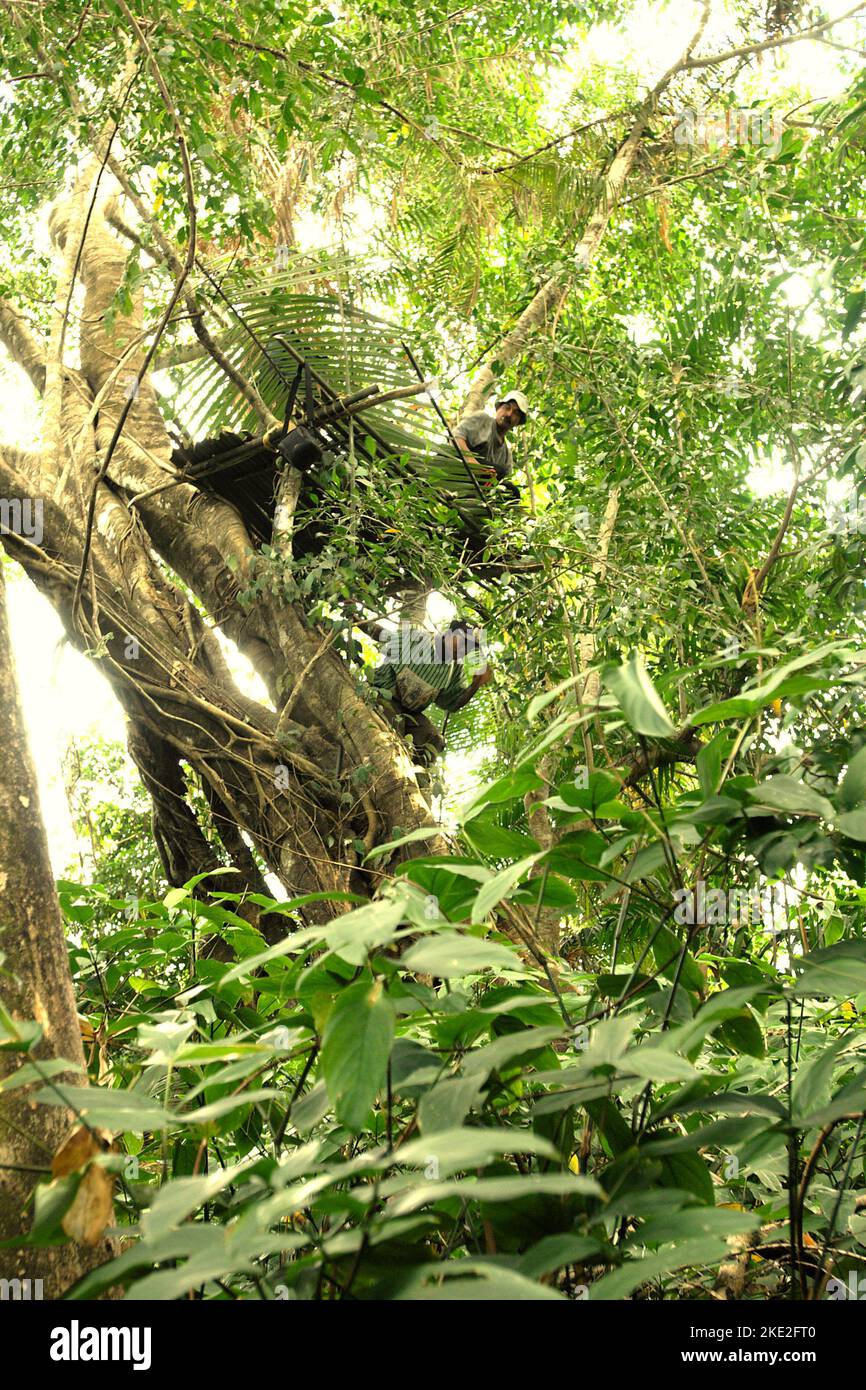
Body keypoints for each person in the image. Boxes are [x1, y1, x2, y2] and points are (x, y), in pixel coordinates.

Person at [368, 619, 491, 764]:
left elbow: (454, 703)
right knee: (394, 724)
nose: (465, 649)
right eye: (463, 641)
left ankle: (415, 777)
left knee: (434, 740)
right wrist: (356, 619)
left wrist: (475, 685)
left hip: (409, 713)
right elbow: (382, 634)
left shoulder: (455, 670)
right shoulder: (419, 639)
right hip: (381, 694)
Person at [453, 390, 528, 488]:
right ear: (498, 408)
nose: (509, 414)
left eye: (516, 413)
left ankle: (478, 499)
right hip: (454, 467)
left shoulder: (506, 457)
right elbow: (455, 436)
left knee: (511, 490)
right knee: (498, 471)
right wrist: (470, 460)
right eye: (507, 407)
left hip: (472, 488)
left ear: (518, 422)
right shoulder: (483, 420)